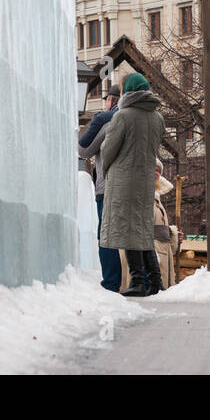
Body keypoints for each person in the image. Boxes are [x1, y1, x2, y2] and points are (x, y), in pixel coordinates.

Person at [100, 72, 167, 297]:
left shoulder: (123, 116)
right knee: (142, 230)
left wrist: (108, 167)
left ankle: (138, 281)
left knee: (129, 231)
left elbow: (108, 150)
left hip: (124, 180)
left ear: (127, 91)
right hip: (145, 181)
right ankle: (155, 281)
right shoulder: (157, 118)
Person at [78, 84, 122, 292]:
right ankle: (144, 281)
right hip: (135, 186)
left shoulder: (107, 118)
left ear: (111, 100)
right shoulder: (144, 115)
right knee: (133, 233)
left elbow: (84, 149)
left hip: (108, 186)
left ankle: (111, 284)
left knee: (105, 234)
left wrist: (93, 123)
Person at [153, 159, 180, 289]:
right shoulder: (142, 197)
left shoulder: (157, 199)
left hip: (162, 253)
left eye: (158, 170)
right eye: (152, 168)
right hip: (152, 256)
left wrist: (172, 234)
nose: (155, 172)